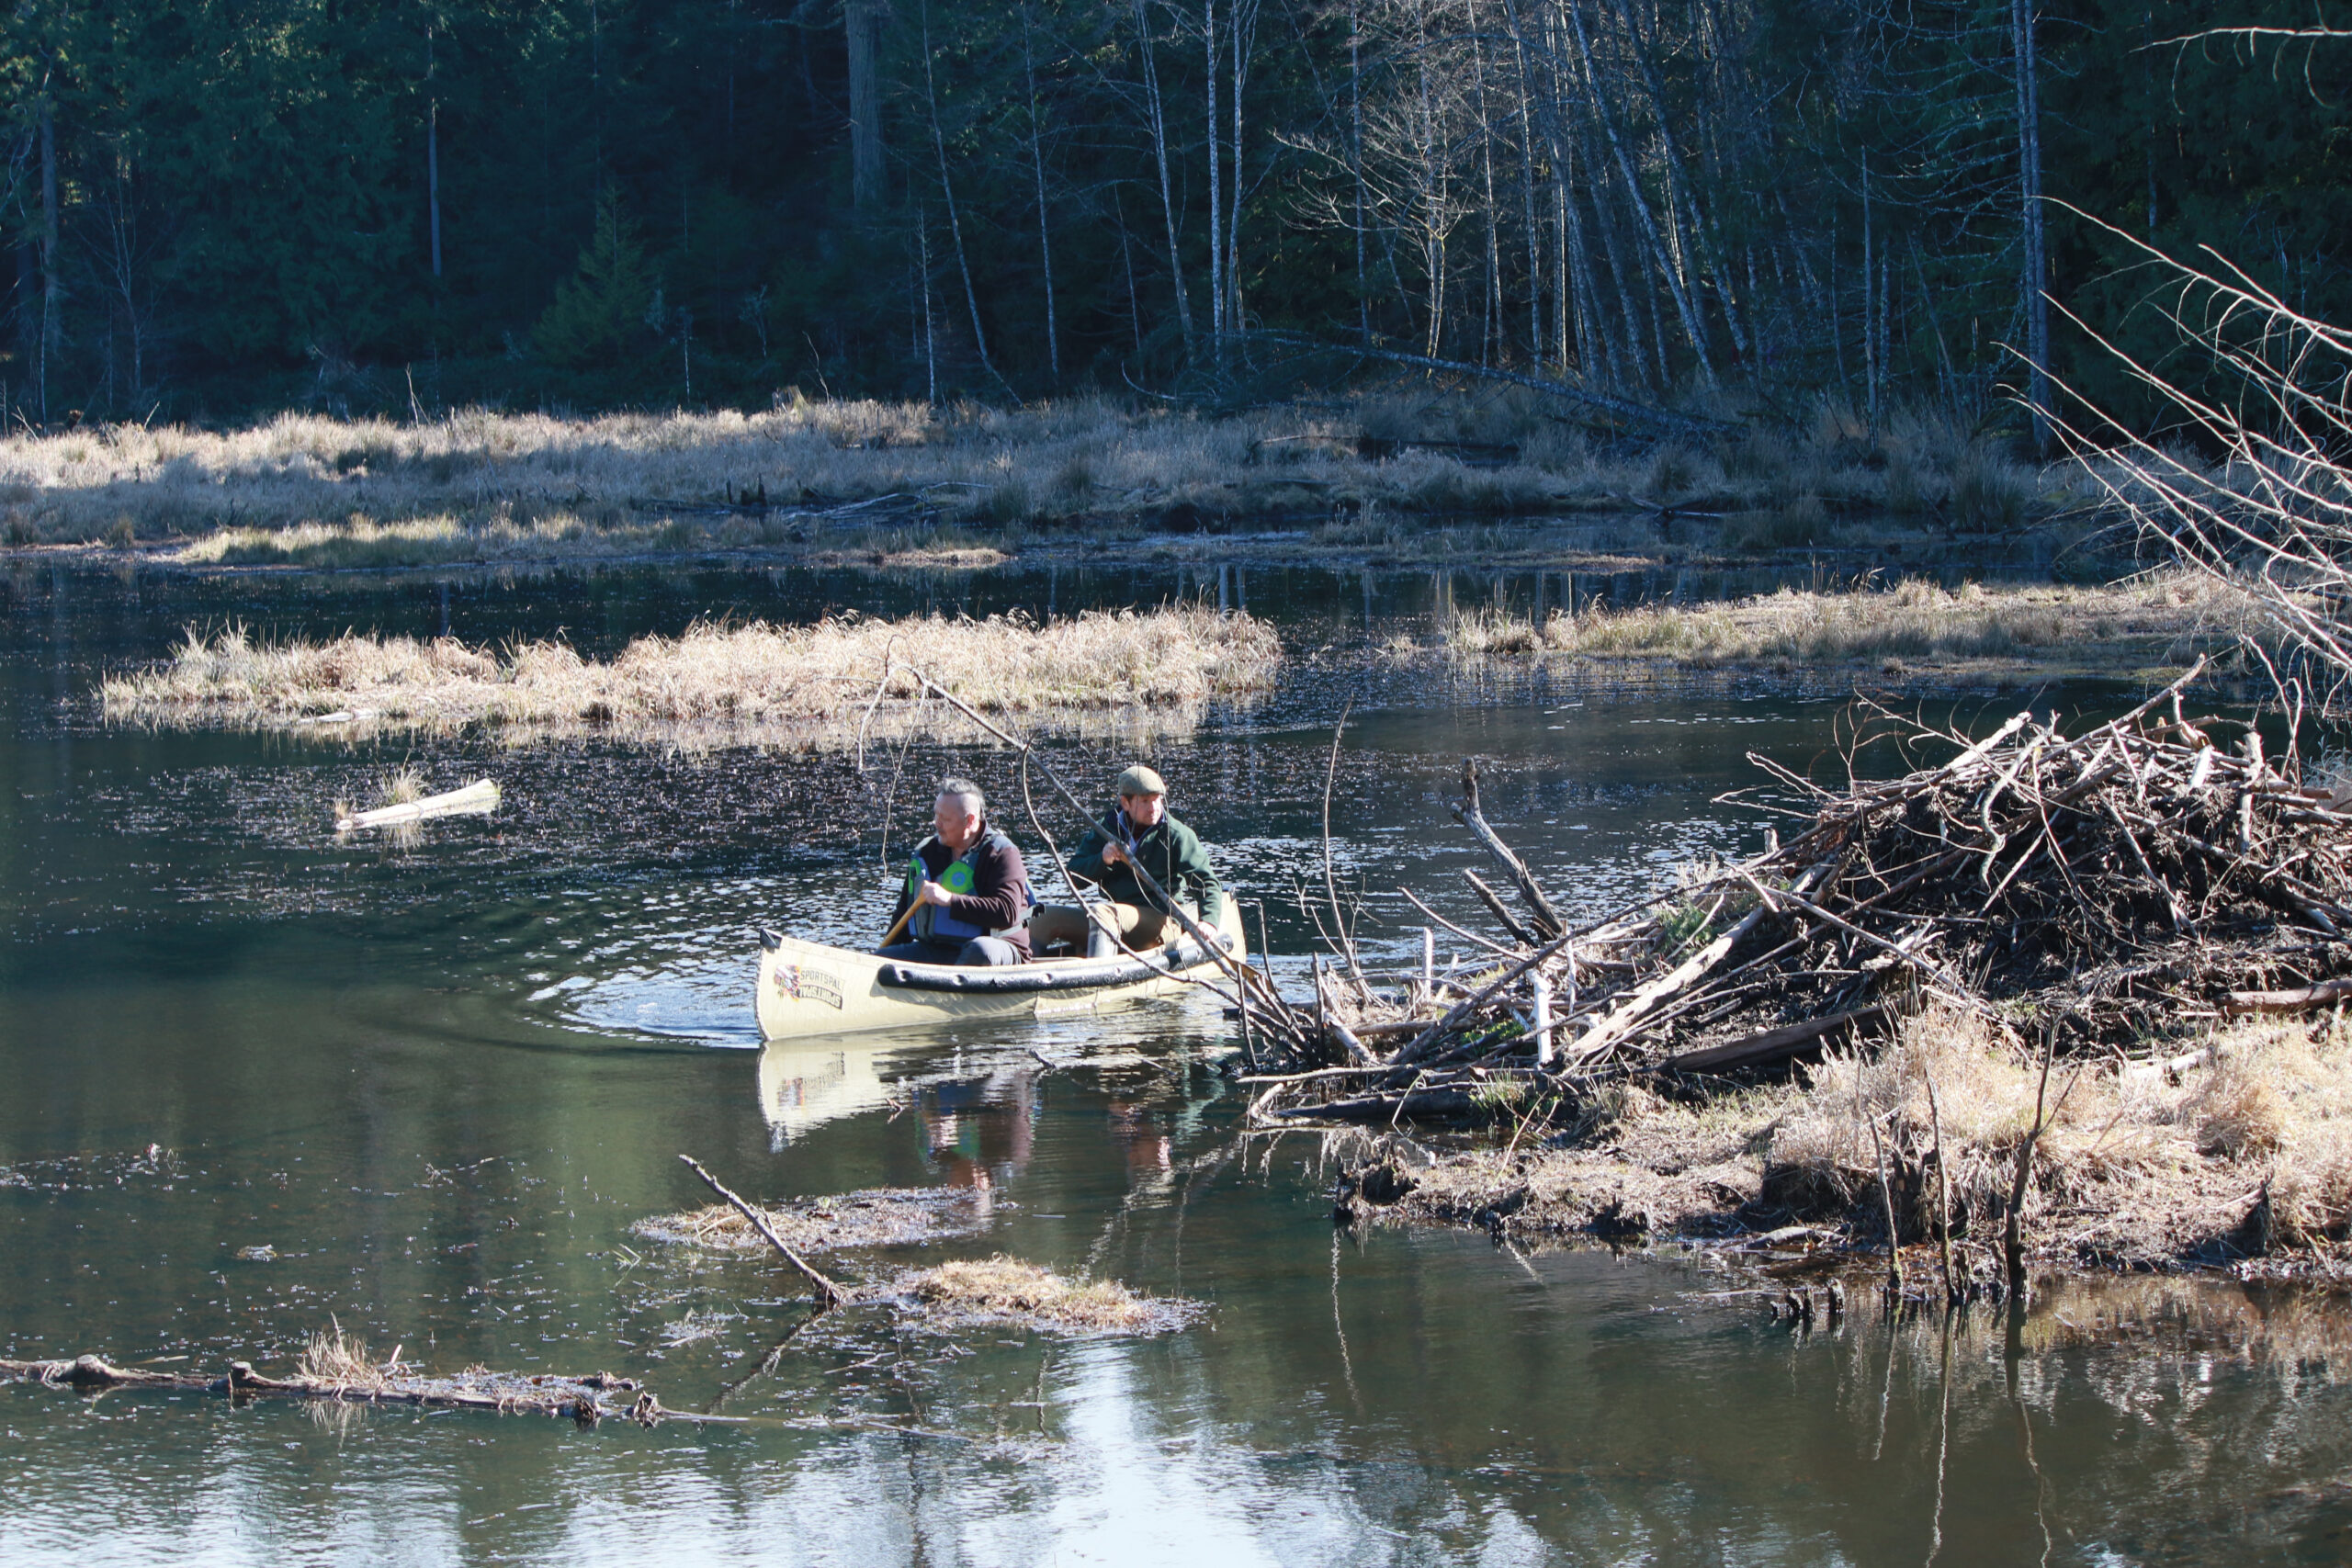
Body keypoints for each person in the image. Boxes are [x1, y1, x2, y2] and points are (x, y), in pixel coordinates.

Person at [1028, 764, 1224, 959]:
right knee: (1040, 915)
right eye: (1146, 801)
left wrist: (1209, 921)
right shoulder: (1107, 829)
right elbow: (1073, 878)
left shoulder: (1175, 835)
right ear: (1125, 803)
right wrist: (1102, 860)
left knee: (1103, 913)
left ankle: (1100, 980)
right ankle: (1025, 975)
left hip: (1161, 924)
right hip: (1111, 921)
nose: (1154, 808)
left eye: (1158, 800)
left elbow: (1206, 882)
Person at [877, 778, 1034, 965]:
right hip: (942, 950)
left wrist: (950, 900)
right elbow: (904, 913)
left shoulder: (1002, 853)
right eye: (936, 815)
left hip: (1000, 948)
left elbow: (1007, 913)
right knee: (884, 959)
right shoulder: (928, 852)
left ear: (969, 821)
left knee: (979, 950)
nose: (937, 823)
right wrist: (879, 961)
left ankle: (951, 991)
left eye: (945, 819)